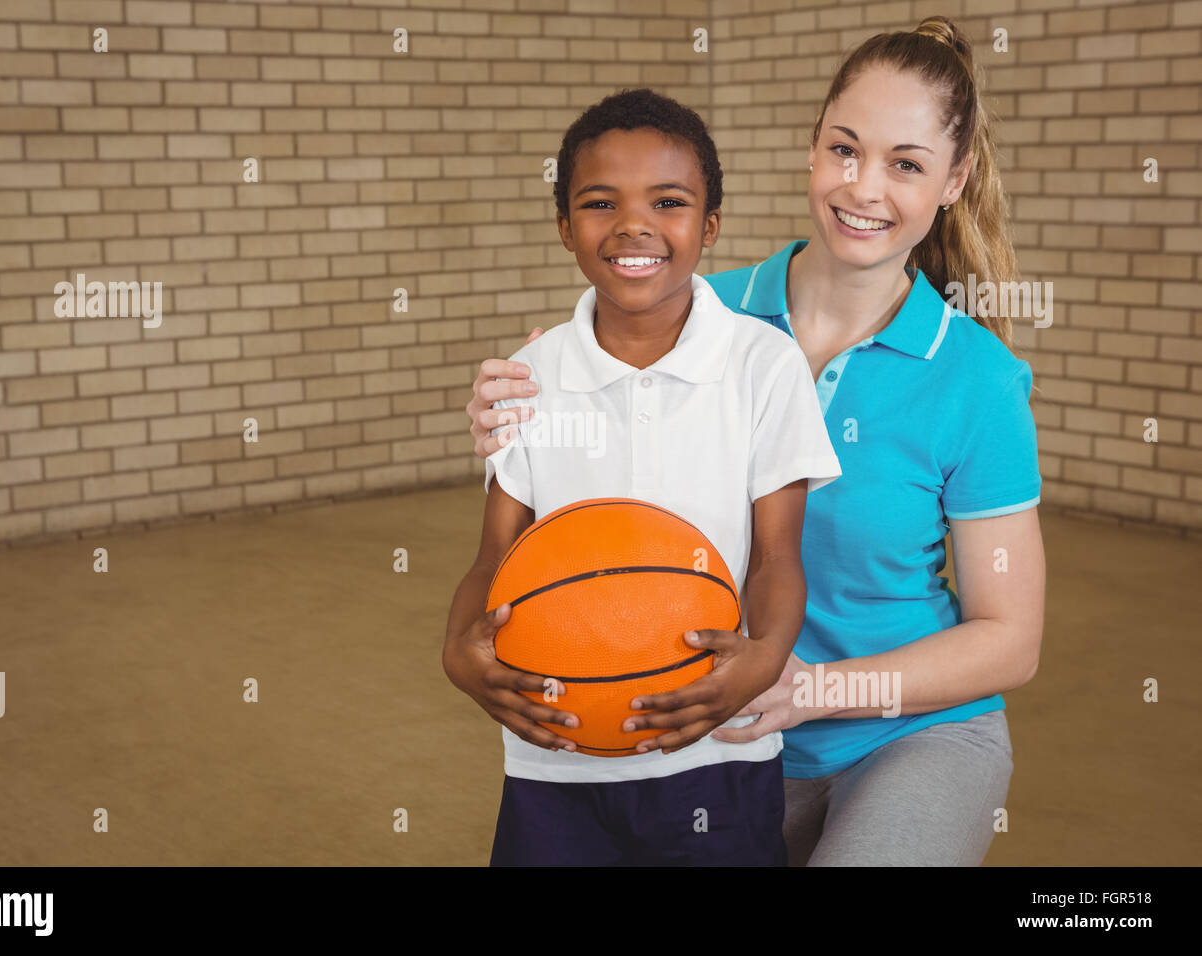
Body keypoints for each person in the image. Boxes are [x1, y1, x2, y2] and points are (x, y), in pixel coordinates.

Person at [463, 17, 1046, 866]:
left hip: (899, 733)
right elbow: (564, 399)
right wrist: (507, 404)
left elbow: (1010, 639)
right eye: (845, 149)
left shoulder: (977, 381)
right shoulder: (688, 306)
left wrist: (810, 691)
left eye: (906, 164)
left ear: (954, 181)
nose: (864, 188)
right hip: (705, 734)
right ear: (813, 150)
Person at [442, 88, 842, 866]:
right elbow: (495, 556)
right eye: (599, 202)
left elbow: (776, 558)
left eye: (668, 200)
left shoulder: (763, 368)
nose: (633, 224)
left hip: (713, 746)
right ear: (565, 226)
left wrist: (761, 661)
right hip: (554, 746)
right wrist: (459, 649)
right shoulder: (532, 374)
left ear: (709, 225)